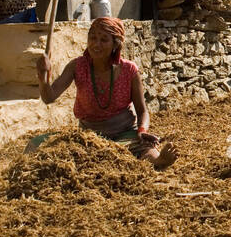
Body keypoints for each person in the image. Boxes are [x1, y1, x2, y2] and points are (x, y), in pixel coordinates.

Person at [35, 16, 177, 168]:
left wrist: (142, 130)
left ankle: (159, 161)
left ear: (115, 44)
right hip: (89, 135)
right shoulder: (77, 66)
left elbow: (142, 111)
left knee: (144, 150)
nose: (96, 44)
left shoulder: (129, 70)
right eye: (93, 38)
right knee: (41, 147)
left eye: (104, 40)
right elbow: (49, 97)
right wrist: (43, 77)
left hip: (124, 132)